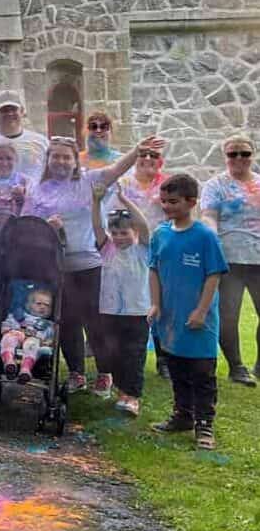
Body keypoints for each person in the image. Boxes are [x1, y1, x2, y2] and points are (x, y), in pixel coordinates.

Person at [21, 133, 166, 394]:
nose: (61, 161)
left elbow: (115, 170)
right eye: (56, 156)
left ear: (75, 161)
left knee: (97, 322)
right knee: (66, 322)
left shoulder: (88, 181)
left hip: (90, 264)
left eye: (67, 157)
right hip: (55, 267)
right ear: (48, 159)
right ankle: (76, 372)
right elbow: (26, 225)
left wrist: (136, 150)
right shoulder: (36, 189)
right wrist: (46, 226)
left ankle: (104, 373)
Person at [149, 174, 228, 451]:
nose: (167, 206)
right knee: (177, 369)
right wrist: (156, 304)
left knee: (202, 373)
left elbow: (214, 275)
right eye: (164, 201)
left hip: (198, 320)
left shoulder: (205, 236)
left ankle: (204, 424)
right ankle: (183, 415)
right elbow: (154, 270)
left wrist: (201, 310)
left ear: (191, 202)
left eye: (173, 201)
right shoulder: (160, 234)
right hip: (170, 318)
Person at [200, 134, 260, 387]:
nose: (239, 159)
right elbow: (209, 214)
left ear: (252, 155)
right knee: (229, 315)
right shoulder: (216, 185)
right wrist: (211, 232)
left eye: (244, 153)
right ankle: (236, 367)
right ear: (225, 157)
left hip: (258, 259)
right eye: (233, 154)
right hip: (229, 259)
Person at [91, 186, 151, 416]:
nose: (119, 238)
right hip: (109, 312)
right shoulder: (107, 249)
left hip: (137, 312)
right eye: (115, 234)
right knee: (113, 354)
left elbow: (144, 224)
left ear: (134, 233)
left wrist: (125, 200)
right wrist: (96, 202)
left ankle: (132, 397)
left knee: (134, 354)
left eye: (124, 233)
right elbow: (96, 225)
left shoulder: (143, 250)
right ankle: (121, 390)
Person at [118, 139, 171, 379]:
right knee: (130, 301)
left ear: (160, 162)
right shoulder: (124, 183)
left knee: (160, 302)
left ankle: (164, 357)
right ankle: (124, 353)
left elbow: (183, 213)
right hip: (130, 250)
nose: (148, 160)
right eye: (143, 156)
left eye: (153, 157)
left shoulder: (168, 185)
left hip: (160, 249)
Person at [0, 143, 28, 266]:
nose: (4, 162)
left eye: (9, 158)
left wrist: (22, 197)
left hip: (15, 233)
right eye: (0, 158)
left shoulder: (23, 180)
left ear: (16, 160)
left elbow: (31, 208)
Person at [0, 288, 55, 384]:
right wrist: (9, 329)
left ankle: (25, 369)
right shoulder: (18, 315)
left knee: (32, 344)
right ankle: (9, 362)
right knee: (9, 337)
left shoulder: (48, 324)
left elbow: (51, 339)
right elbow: (6, 326)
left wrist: (48, 342)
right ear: (29, 305)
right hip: (16, 335)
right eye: (39, 304)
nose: (43, 307)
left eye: (47, 305)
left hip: (33, 341)